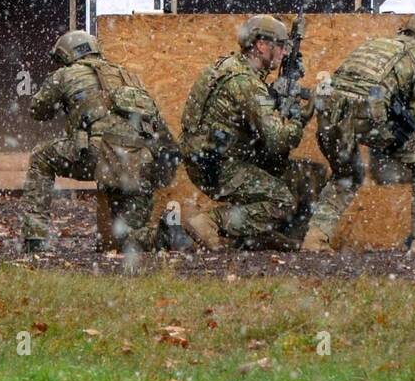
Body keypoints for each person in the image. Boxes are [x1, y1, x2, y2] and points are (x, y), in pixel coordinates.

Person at [302, 10, 415, 254]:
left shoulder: (377, 44)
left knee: (348, 174)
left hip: (329, 115)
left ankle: (315, 237)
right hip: (368, 117)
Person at [24, 30, 180, 253]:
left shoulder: (66, 74)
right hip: (140, 161)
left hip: (99, 156)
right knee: (127, 237)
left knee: (41, 157)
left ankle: (35, 238)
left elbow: (37, 110)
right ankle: (160, 236)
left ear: (67, 54)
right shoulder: (127, 76)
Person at [179, 15, 311, 250]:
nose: (283, 53)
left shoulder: (229, 66)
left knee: (278, 166)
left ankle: (256, 236)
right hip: (216, 166)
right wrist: (300, 116)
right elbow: (279, 138)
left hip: (206, 157)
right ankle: (211, 221)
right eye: (280, 46)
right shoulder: (246, 82)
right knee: (282, 200)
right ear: (261, 46)